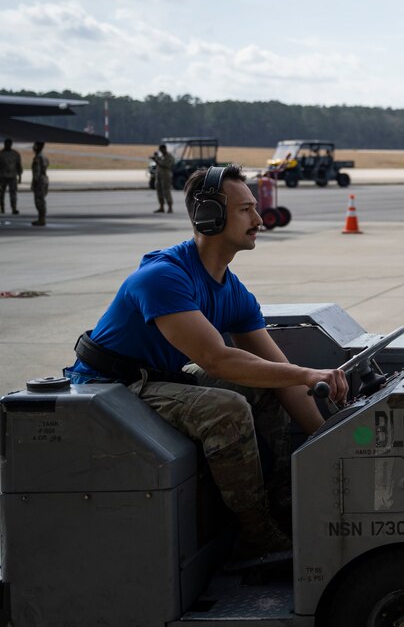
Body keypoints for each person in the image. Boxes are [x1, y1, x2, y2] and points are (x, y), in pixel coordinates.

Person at [65, 164, 349, 560]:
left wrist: (330, 442)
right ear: (209, 216)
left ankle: (285, 502)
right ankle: (256, 534)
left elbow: (284, 379)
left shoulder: (233, 292)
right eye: (245, 209)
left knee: (264, 386)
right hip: (111, 388)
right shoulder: (164, 277)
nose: (259, 219)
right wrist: (305, 372)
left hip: (161, 379)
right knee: (226, 408)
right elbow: (215, 359)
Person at [0, 137, 21, 215]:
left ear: (11, 144)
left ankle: (14, 208)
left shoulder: (15, 154)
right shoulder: (1, 154)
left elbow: (19, 166)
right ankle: (2, 208)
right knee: (1, 194)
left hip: (13, 177)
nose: (7, 145)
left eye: (9, 144)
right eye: (6, 144)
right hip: (2, 177)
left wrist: (20, 177)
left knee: (13, 194)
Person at [153, 143, 174, 213]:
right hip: (159, 176)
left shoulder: (169, 156)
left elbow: (166, 165)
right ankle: (161, 207)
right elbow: (159, 164)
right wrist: (156, 158)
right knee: (159, 192)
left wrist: (157, 160)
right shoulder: (161, 157)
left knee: (166, 192)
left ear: (164, 149)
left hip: (166, 176)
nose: (161, 151)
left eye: (161, 150)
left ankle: (170, 207)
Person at [30, 141, 48, 227]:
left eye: (35, 146)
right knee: (41, 200)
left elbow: (36, 172)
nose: (33, 147)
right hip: (44, 179)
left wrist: (34, 183)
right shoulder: (44, 157)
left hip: (39, 181)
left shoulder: (38, 157)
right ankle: (41, 218)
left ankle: (41, 219)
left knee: (39, 201)